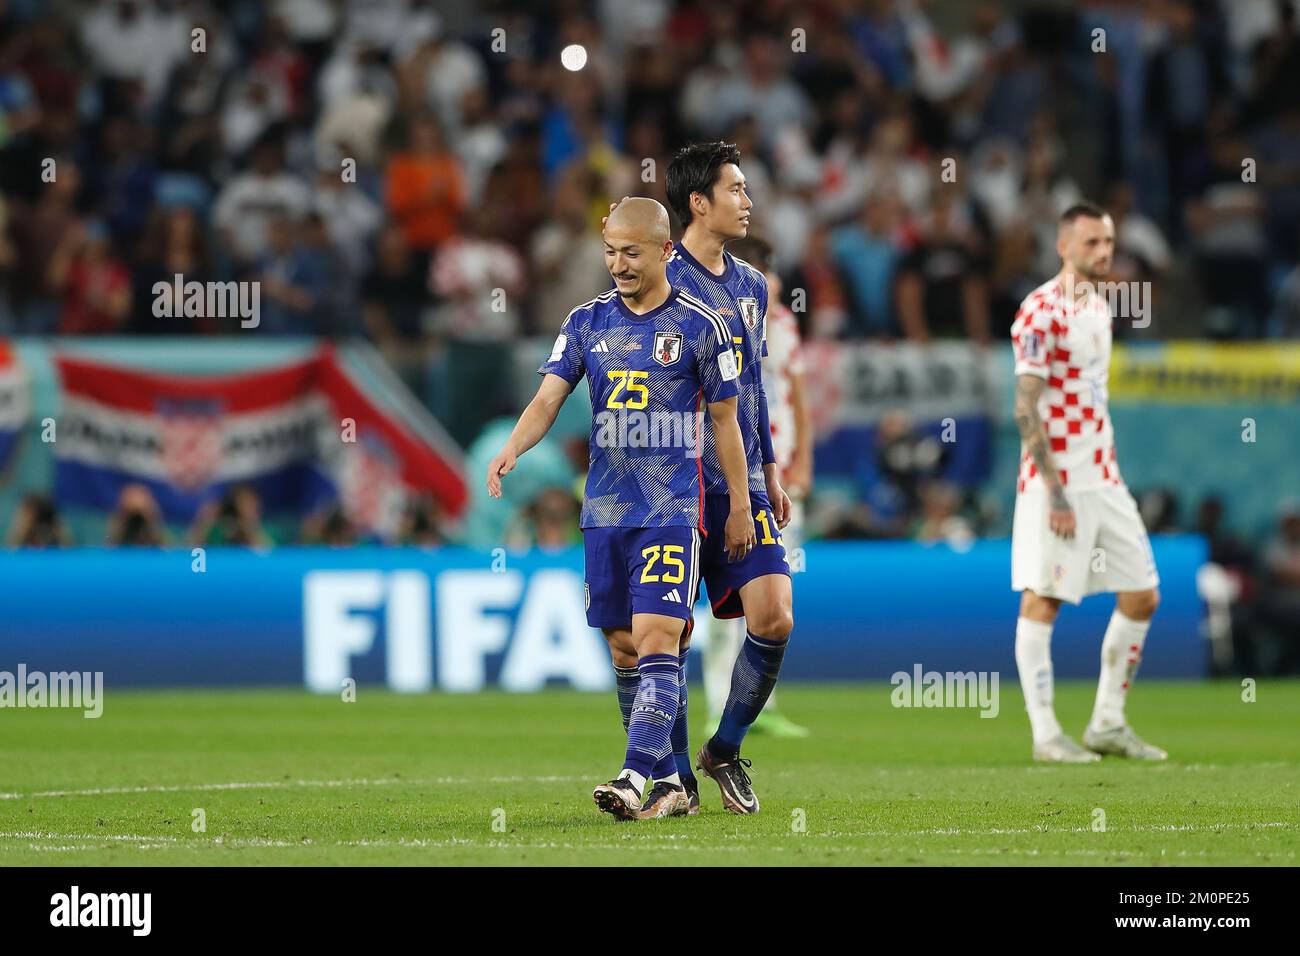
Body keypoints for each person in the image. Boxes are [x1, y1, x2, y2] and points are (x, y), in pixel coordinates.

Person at [487, 197, 754, 820]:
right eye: (610, 252)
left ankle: (635, 775)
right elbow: (548, 400)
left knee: (659, 636)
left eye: (631, 253)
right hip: (605, 510)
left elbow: (726, 423)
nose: (618, 265)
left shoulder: (702, 326)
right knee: (624, 650)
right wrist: (512, 449)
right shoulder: (585, 322)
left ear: (665, 251)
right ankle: (674, 784)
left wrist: (741, 504)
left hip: (671, 509)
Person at [1010, 201, 1164, 763]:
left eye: (1108, 242)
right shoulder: (1040, 312)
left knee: (1143, 594)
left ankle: (1106, 722)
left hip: (1105, 477)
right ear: (1064, 246)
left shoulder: (1099, 306)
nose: (1104, 252)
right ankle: (1047, 734)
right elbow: (1026, 408)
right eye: (1093, 242)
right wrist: (1054, 491)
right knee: (1043, 599)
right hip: (1060, 482)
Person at [700, 234, 810, 739]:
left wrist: (796, 460)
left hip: (773, 470)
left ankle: (762, 703)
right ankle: (717, 702)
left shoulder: (780, 322)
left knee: (771, 602)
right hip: (724, 474)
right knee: (727, 599)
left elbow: (791, 395)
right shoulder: (713, 315)